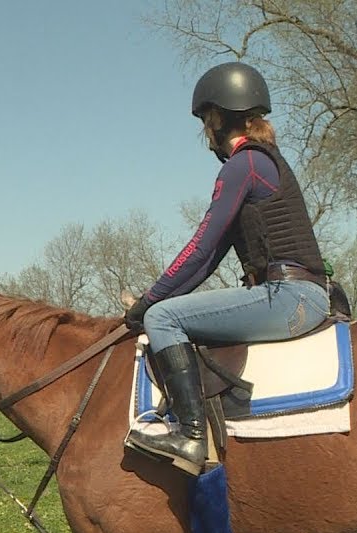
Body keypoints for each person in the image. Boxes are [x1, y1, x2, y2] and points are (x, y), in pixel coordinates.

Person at [123, 61, 331, 475]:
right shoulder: (261, 161)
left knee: (163, 318)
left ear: (217, 117)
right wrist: (160, 294)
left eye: (205, 120)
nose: (206, 131)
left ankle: (190, 435)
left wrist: (149, 302)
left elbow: (199, 248)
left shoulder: (242, 165)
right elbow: (209, 257)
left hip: (290, 296)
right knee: (164, 309)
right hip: (299, 293)